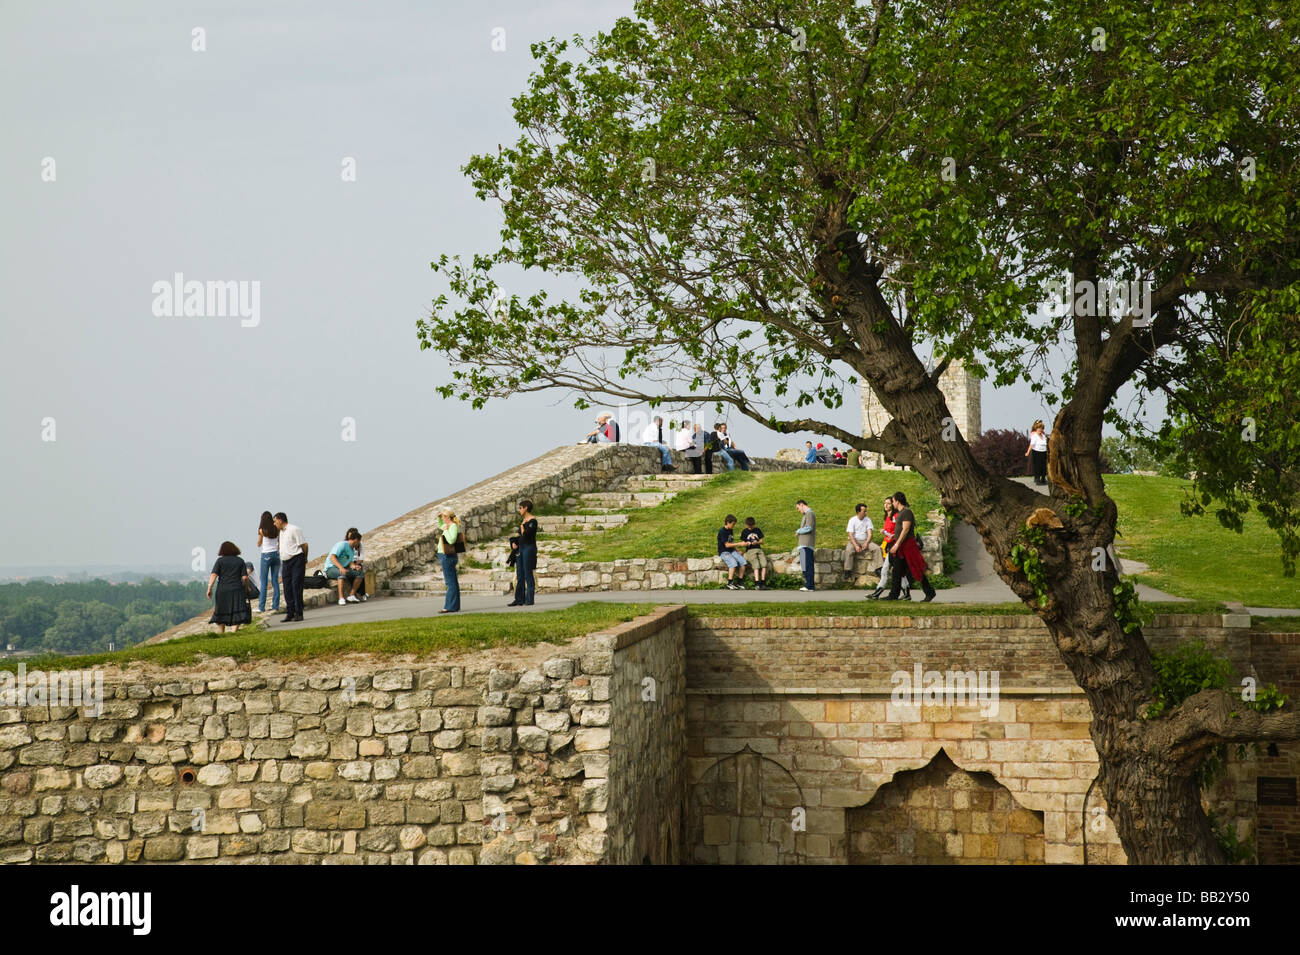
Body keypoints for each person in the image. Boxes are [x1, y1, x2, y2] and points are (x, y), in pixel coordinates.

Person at [883, 491, 936, 602]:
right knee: (897, 571)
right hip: (900, 546)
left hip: (907, 546)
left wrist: (897, 544)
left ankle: (929, 592)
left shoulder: (906, 512)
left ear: (897, 501)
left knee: (916, 568)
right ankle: (893, 594)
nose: (892, 503)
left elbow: (906, 529)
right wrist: (894, 535)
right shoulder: (900, 513)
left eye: (893, 501)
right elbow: (900, 530)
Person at [206, 541, 252, 634]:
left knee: (221, 610)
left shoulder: (220, 561)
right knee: (237, 610)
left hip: (222, 589)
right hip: (237, 589)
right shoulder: (240, 561)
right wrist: (247, 587)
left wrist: (209, 588)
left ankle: (221, 632)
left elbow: (214, 574)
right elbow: (244, 577)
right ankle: (234, 632)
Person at [867, 497, 906, 599]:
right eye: (885, 503)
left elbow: (899, 530)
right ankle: (906, 593)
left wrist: (891, 535)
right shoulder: (887, 517)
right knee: (898, 571)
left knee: (887, 570)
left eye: (888, 503)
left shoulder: (896, 516)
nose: (886, 505)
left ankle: (878, 592)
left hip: (895, 545)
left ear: (892, 505)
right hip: (889, 545)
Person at [273, 512, 308, 622]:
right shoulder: (281, 532)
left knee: (296, 585)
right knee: (287, 587)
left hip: (296, 558)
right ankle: (290, 612)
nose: (274, 524)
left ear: (280, 520)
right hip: (286, 562)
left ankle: (299, 612)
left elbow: (304, 545)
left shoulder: (294, 529)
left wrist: (304, 558)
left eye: (275, 521)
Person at [508, 499, 539, 606]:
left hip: (529, 548)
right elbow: (520, 537)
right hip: (521, 548)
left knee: (527, 573)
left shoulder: (532, 521)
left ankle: (529, 599)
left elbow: (526, 536)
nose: (519, 510)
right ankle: (519, 599)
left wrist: (522, 526)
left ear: (526, 508)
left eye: (520, 508)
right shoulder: (524, 521)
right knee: (519, 574)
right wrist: (514, 543)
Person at [325, 528, 365, 606]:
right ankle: (341, 598)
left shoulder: (352, 550)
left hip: (343, 567)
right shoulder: (342, 544)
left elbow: (349, 562)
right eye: (359, 541)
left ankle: (351, 595)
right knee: (342, 573)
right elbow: (332, 558)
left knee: (359, 574)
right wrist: (341, 567)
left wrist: (354, 566)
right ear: (356, 540)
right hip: (331, 568)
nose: (359, 544)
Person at [255, 510, 281, 614]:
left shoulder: (262, 530)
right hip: (276, 554)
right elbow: (279, 541)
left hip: (266, 555)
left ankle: (261, 607)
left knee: (264, 582)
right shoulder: (276, 529)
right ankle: (275, 606)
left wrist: (260, 537)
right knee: (275, 581)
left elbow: (258, 544)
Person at [436, 511, 462, 613]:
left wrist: (446, 531)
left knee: (450, 582)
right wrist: (439, 516)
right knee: (452, 582)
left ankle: (449, 606)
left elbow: (451, 540)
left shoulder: (452, 527)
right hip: (445, 555)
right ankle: (454, 606)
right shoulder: (447, 525)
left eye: (443, 517)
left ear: (447, 517)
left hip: (448, 556)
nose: (442, 519)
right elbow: (440, 525)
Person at [843, 503, 875, 581]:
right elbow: (850, 535)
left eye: (866, 511)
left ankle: (879, 568)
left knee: (876, 548)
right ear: (858, 512)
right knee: (849, 550)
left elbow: (870, 533)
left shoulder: (868, 520)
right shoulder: (852, 520)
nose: (866, 513)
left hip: (865, 540)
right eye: (864, 511)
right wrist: (856, 546)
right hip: (854, 540)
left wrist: (867, 542)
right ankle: (847, 570)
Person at [716, 514, 748, 589]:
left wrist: (737, 550)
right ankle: (730, 583)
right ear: (727, 522)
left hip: (732, 550)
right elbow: (727, 545)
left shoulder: (730, 530)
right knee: (733, 563)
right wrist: (740, 543)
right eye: (733, 524)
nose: (734, 526)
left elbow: (731, 542)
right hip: (724, 552)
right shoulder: (722, 531)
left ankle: (740, 582)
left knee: (743, 562)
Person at [740, 517, 769, 589]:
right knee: (756, 565)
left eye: (751, 526)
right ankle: (757, 583)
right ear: (746, 525)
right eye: (749, 526)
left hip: (758, 549)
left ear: (754, 524)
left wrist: (757, 542)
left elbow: (762, 541)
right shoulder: (744, 531)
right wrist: (748, 543)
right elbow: (743, 543)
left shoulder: (757, 530)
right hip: (750, 550)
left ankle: (763, 582)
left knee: (764, 564)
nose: (750, 528)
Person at [795, 499, 816, 591]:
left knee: (807, 565)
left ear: (802, 504)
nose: (798, 510)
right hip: (803, 544)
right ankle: (809, 585)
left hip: (806, 544)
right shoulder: (806, 514)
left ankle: (809, 585)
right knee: (805, 565)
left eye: (798, 508)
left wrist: (798, 531)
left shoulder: (809, 513)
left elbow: (809, 528)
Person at [1025, 420, 1049, 485]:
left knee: (1044, 466)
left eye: (1041, 428)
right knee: (1038, 466)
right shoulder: (1034, 436)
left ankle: (1043, 479)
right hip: (1037, 452)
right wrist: (1027, 452)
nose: (1040, 429)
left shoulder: (1043, 436)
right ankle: (1037, 479)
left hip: (1044, 452)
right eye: (1039, 428)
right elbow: (1031, 445)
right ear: (1036, 428)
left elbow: (1046, 443)